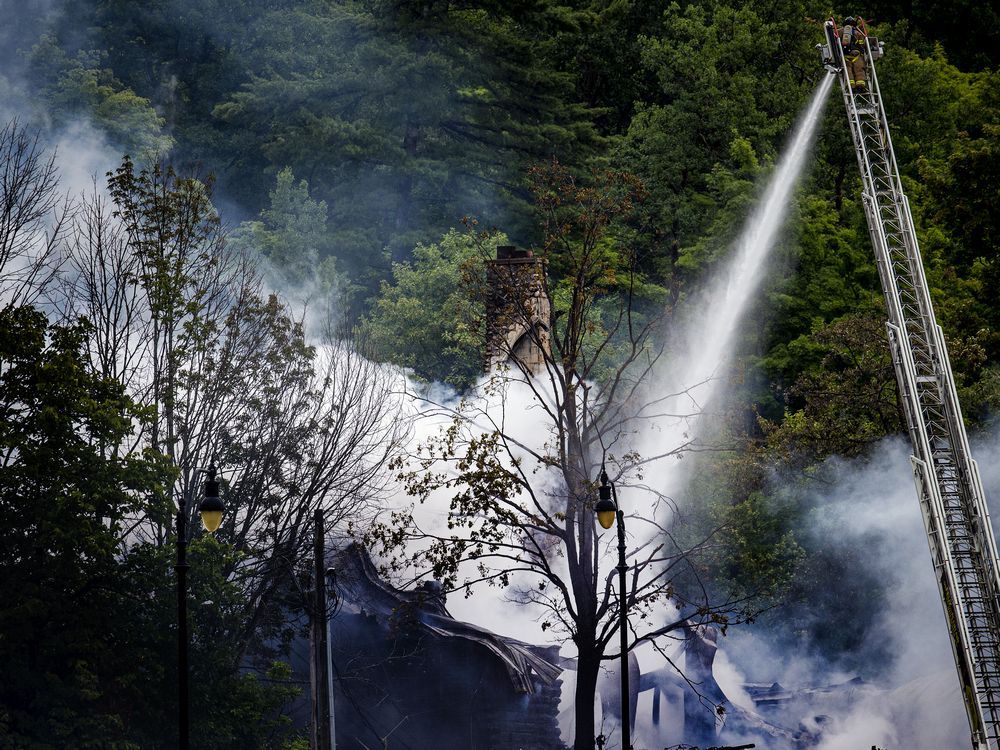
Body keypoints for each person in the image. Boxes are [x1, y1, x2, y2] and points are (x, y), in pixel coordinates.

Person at [841, 16, 867, 89]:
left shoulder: (840, 31)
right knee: (859, 70)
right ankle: (860, 84)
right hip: (856, 56)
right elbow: (861, 45)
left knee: (848, 70)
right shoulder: (858, 33)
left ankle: (850, 85)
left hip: (845, 56)